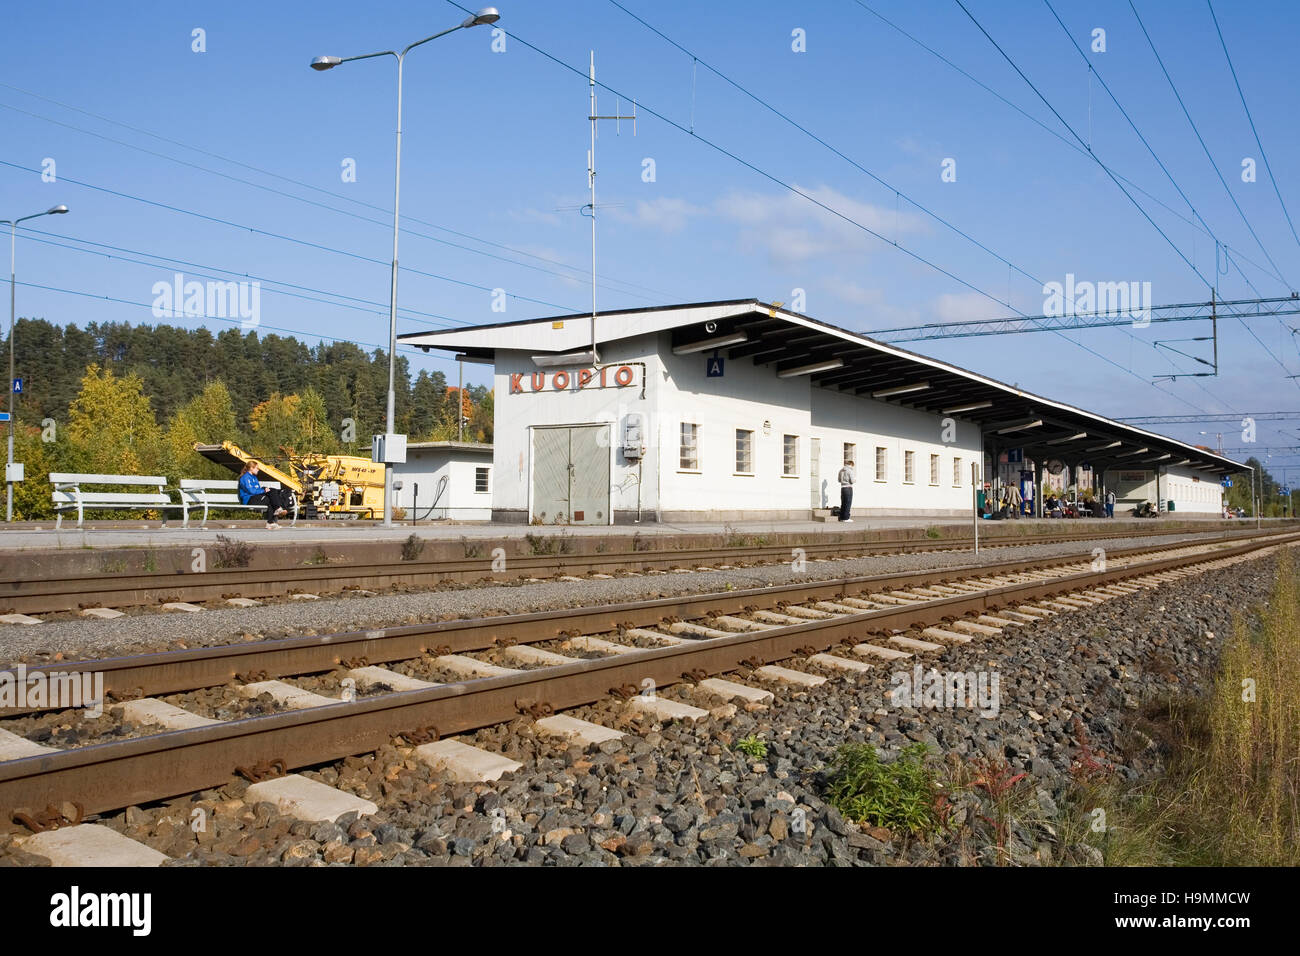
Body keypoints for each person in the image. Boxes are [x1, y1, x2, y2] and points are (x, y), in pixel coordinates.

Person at [238, 460, 289, 529]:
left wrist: (264, 489)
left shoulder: (254, 477)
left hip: (256, 497)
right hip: (249, 499)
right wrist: (263, 491)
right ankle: (272, 519)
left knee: (272, 492)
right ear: (251, 468)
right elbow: (251, 491)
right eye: (257, 468)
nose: (258, 470)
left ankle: (274, 515)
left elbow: (257, 489)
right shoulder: (245, 477)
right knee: (270, 498)